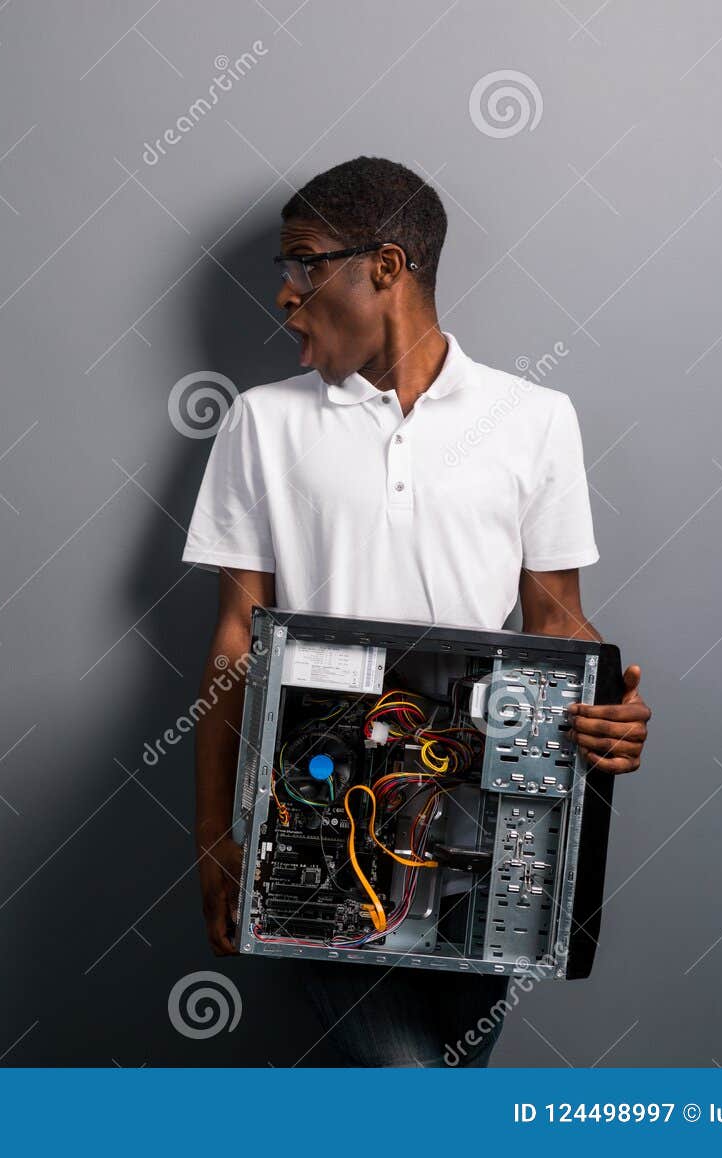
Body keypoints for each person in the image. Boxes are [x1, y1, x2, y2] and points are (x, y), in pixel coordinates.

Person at [182, 156, 652, 1067]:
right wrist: (214, 835)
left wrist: (607, 714)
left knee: (446, 1081)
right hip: (319, 819)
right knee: (410, 1088)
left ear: (387, 267)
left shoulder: (534, 417)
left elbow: (560, 625)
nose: (286, 296)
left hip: (487, 823)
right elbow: (235, 641)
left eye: (304, 264)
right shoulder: (262, 422)